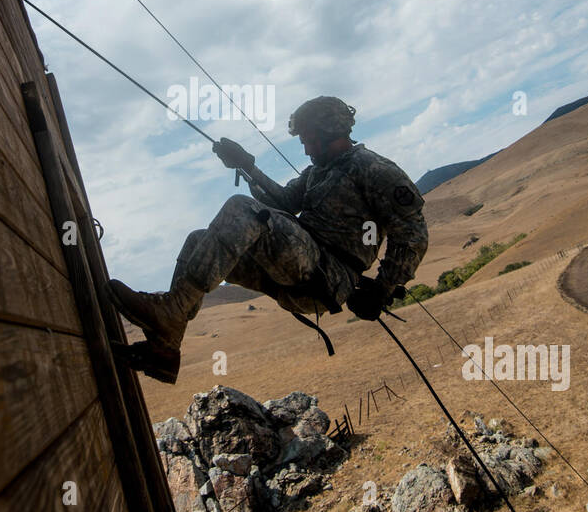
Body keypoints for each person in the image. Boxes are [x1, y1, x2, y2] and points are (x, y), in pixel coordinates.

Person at [109, 96, 429, 383]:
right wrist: (247, 166)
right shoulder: (318, 172)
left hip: (326, 276)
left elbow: (412, 233)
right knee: (198, 241)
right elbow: (284, 202)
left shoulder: (374, 169)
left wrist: (383, 288)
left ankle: (173, 309)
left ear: (329, 131)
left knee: (241, 208)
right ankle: (165, 348)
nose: (304, 148)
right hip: (297, 268)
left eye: (308, 140)